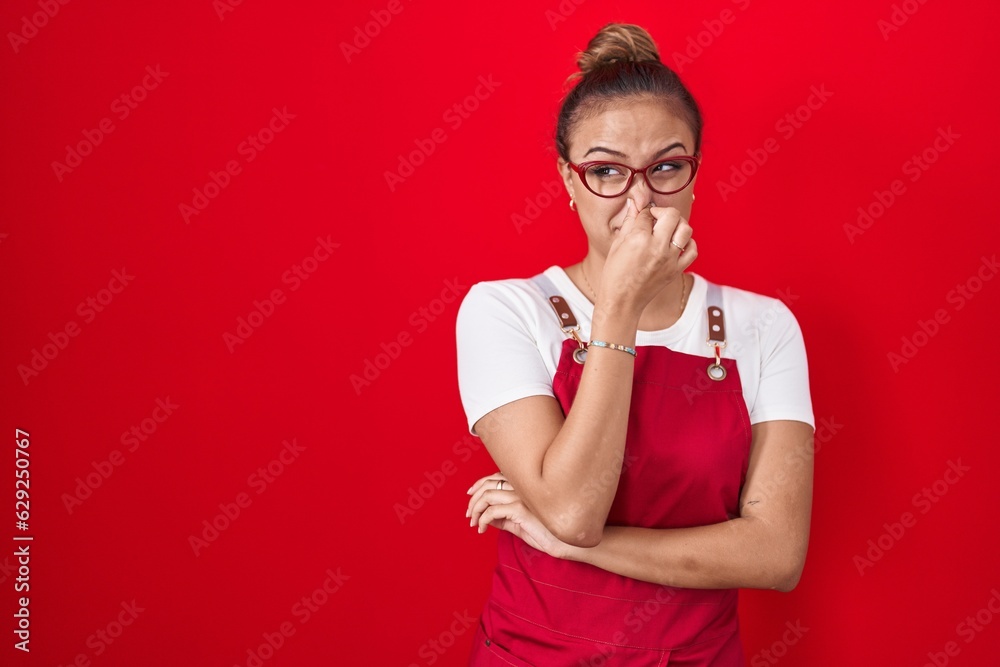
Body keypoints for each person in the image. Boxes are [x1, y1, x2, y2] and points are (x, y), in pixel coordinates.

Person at [455, 22, 814, 666]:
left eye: (667, 167)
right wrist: (617, 307)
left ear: (696, 173)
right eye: (606, 172)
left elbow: (776, 554)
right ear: (568, 179)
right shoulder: (504, 310)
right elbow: (573, 507)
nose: (639, 200)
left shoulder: (765, 327)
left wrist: (570, 545)